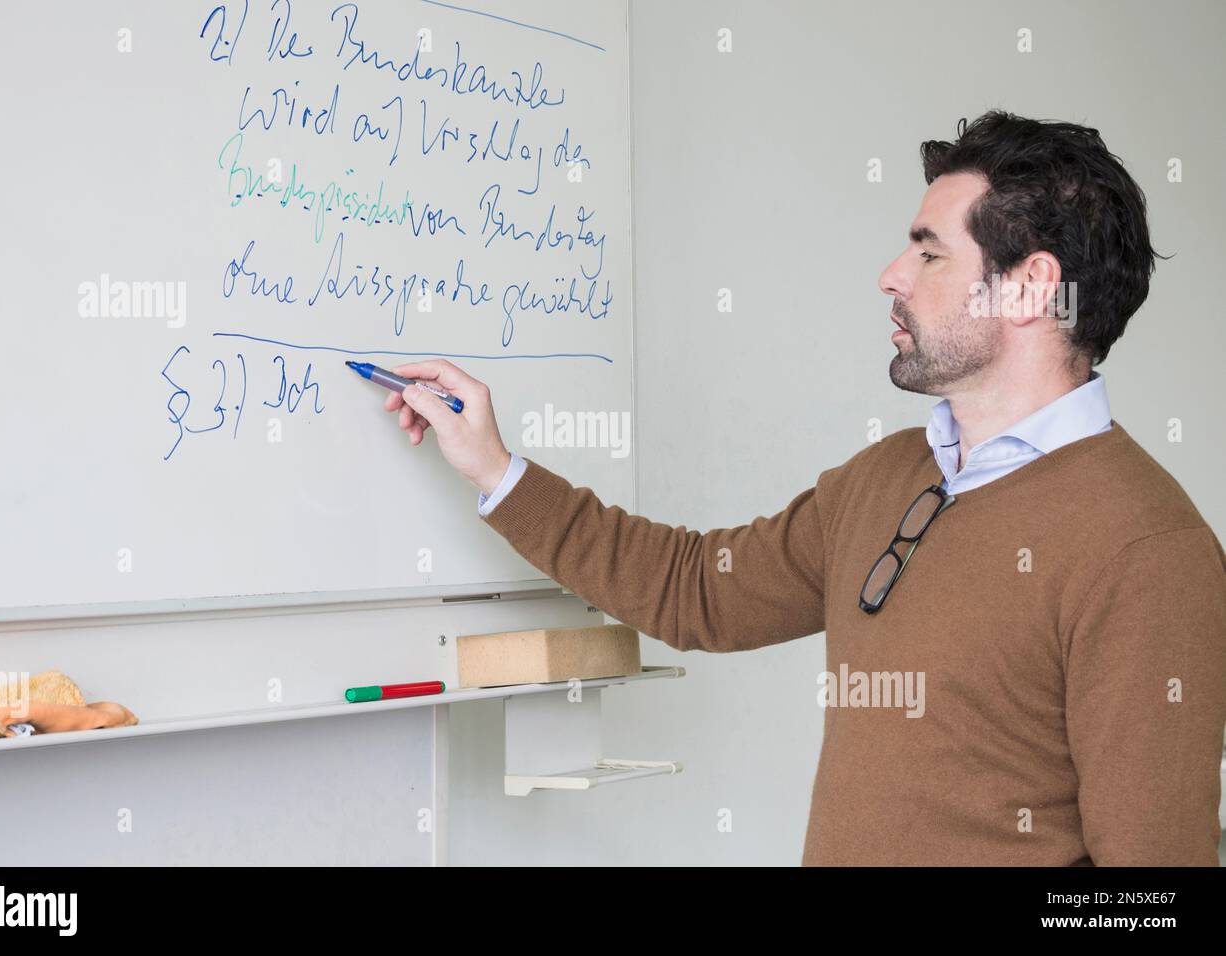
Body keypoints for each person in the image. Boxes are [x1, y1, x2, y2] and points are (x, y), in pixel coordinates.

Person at [375, 111, 1226, 866]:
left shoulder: (1147, 551)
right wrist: (496, 469)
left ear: (1032, 287)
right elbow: (695, 591)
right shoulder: (887, 477)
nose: (892, 274)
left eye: (929, 251)